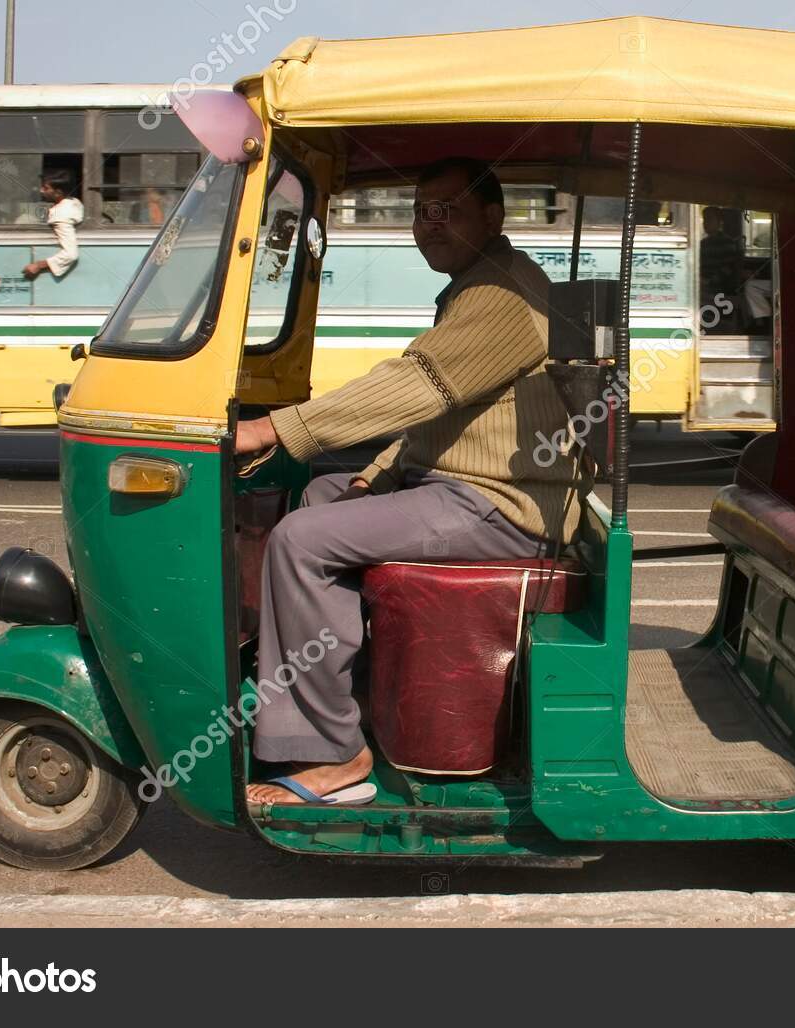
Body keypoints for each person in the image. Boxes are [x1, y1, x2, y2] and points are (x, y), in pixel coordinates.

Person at [232, 156, 579, 806]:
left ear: (492, 218)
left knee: (300, 541)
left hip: (499, 505)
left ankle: (330, 756)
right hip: (459, 485)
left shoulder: (502, 294)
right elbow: (435, 419)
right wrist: (368, 478)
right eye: (421, 210)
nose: (428, 224)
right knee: (321, 495)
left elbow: (418, 385)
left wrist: (273, 430)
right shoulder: (476, 285)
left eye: (446, 210)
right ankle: (350, 694)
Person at [23, 170, 83, 279]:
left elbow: (71, 254)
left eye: (46, 188)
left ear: (58, 192)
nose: (41, 191)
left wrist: (39, 265)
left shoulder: (61, 215)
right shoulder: (73, 202)